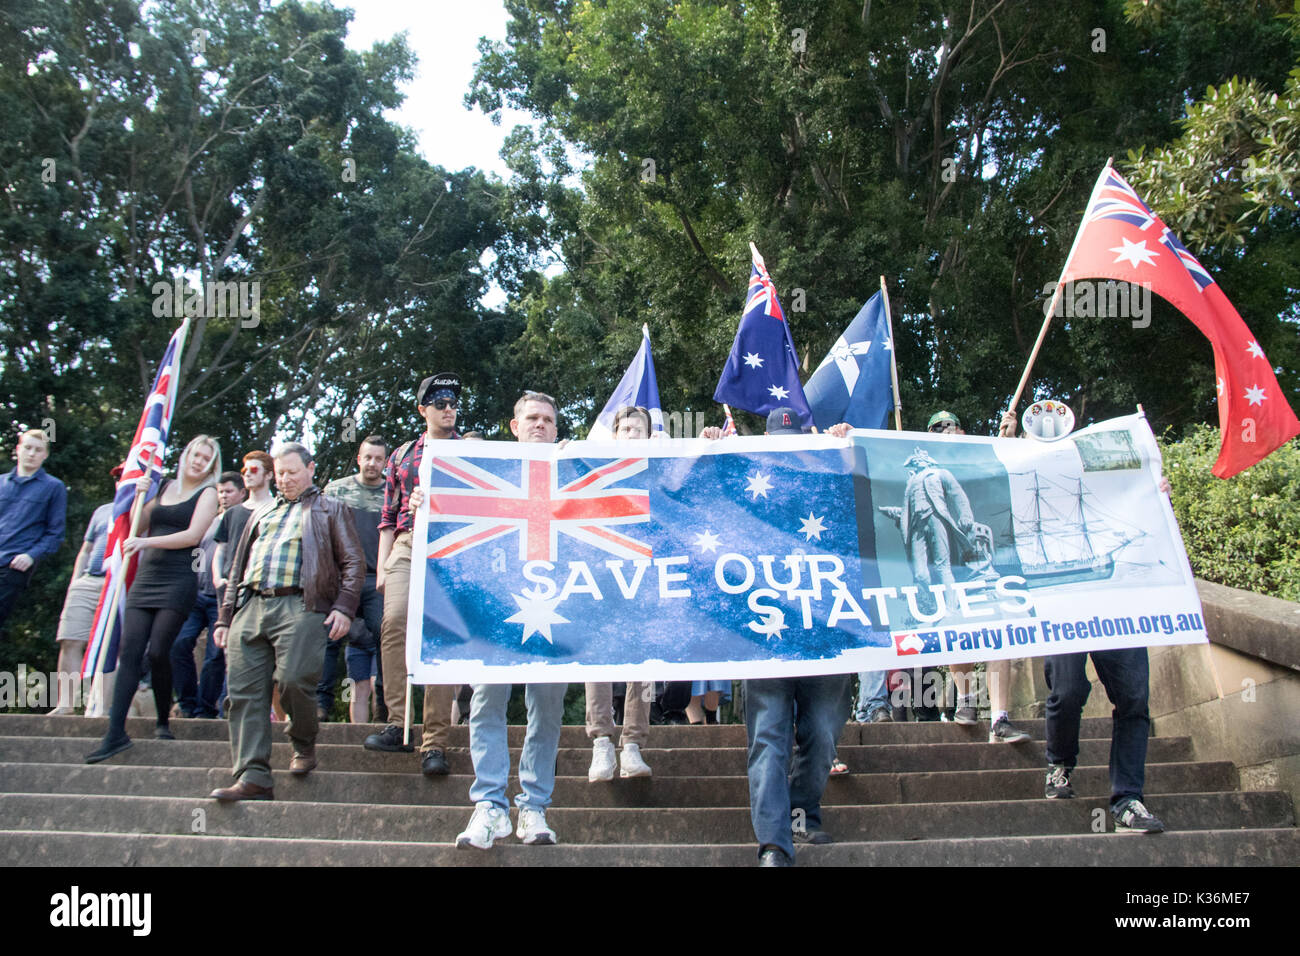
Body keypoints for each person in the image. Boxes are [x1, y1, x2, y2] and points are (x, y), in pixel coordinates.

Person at [207, 442, 364, 801]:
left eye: (293, 472)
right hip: (251, 605)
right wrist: (224, 616)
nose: (285, 479)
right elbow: (236, 569)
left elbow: (354, 563)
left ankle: (304, 741)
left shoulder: (331, 508)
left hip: (302, 604)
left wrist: (343, 607)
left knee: (294, 681)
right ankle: (254, 775)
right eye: (280, 473)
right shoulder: (259, 514)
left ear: (311, 469)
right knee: (244, 694)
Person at [455, 391, 569, 849]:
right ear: (514, 425)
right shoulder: (482, 472)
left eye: (547, 419)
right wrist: (428, 497)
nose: (540, 425)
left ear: (556, 429)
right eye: (532, 418)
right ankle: (489, 806)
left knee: (547, 709)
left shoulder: (573, 468)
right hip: (495, 605)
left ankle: (534, 807)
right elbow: (451, 516)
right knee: (486, 701)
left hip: (558, 606)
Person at [742, 407, 855, 866]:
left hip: (826, 633)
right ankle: (773, 842)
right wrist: (707, 446)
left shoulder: (830, 479)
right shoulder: (744, 484)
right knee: (768, 736)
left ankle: (803, 807)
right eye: (778, 439)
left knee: (823, 733)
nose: (787, 447)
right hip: (764, 637)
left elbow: (869, 498)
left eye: (796, 439)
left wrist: (849, 447)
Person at [85, 435, 221, 762]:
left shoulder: (208, 493)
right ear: (185, 455)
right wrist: (137, 494)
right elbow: (138, 525)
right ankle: (115, 733)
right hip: (146, 578)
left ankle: (163, 717)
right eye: (195, 454)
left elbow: (192, 536)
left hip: (178, 579)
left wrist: (146, 545)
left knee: (160, 650)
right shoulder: (163, 488)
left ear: (212, 466)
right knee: (131, 650)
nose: (198, 461)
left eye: (206, 458)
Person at [364, 374, 461, 774]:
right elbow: (387, 516)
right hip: (407, 542)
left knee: (439, 635)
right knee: (395, 620)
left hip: (454, 547)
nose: (448, 407)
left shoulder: (473, 449)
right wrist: (384, 565)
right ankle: (397, 723)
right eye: (439, 402)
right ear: (423, 409)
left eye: (453, 401)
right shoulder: (402, 455)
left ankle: (434, 741)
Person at [585, 406, 654, 782]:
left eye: (637, 428)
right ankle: (600, 742)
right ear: (614, 435)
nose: (630, 433)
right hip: (600, 573)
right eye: (624, 428)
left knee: (642, 661)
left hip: (645, 573)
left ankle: (632, 745)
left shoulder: (660, 469)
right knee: (598, 655)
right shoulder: (594, 469)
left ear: (648, 434)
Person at [322, 436, 388, 724]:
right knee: (327, 638)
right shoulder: (335, 491)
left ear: (386, 462)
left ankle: (386, 707)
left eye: (378, 458)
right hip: (340, 577)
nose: (372, 463)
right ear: (359, 458)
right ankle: (319, 704)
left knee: (385, 636)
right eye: (368, 457)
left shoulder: (393, 492)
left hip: (377, 578)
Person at [169, 470, 243, 718]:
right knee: (178, 643)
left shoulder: (244, 519)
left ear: (241, 493)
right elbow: (195, 553)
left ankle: (205, 708)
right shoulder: (207, 521)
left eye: (229, 491)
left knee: (214, 655)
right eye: (220, 491)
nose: (223, 496)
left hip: (223, 597)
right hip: (196, 593)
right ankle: (187, 702)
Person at [48, 473, 116, 715]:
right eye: (118, 476)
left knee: (110, 646)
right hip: (88, 580)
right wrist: (75, 582)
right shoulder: (101, 510)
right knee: (70, 640)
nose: (121, 480)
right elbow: (86, 549)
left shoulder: (144, 511)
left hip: (116, 583)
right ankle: (65, 704)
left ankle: (101, 707)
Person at [0, 429, 67, 638]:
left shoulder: (54, 487)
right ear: (17, 450)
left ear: (45, 455)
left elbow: (55, 533)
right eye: (27, 448)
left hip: (12, 566)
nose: (31, 453)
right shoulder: (1, 482)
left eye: (38, 450)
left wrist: (30, 556)